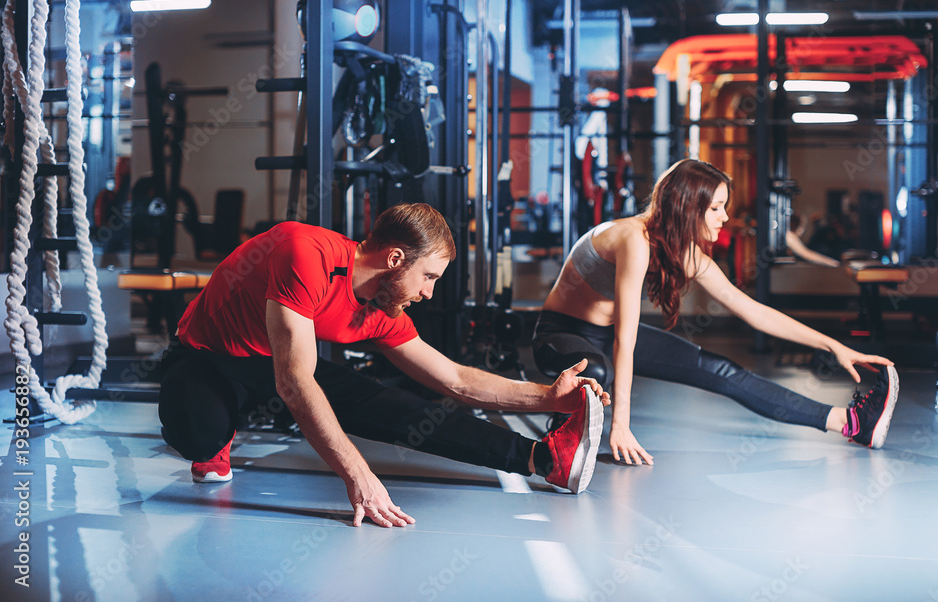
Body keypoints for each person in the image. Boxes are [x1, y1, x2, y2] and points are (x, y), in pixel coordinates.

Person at [158, 203, 610, 528]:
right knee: (198, 435)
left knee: (393, 405)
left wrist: (547, 396)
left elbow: (453, 378)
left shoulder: (378, 308)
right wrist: (360, 477)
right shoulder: (306, 253)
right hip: (208, 357)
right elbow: (294, 383)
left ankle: (543, 458)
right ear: (395, 259)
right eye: (428, 277)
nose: (429, 293)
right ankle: (220, 431)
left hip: (279, 362)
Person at [532, 159, 898, 466]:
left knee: (721, 370)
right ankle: (561, 432)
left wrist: (834, 346)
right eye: (716, 207)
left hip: (607, 335)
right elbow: (625, 341)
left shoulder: (683, 251)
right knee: (597, 370)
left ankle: (851, 423)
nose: (724, 217)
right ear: (688, 207)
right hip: (561, 334)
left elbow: (754, 312)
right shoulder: (634, 239)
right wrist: (621, 424)